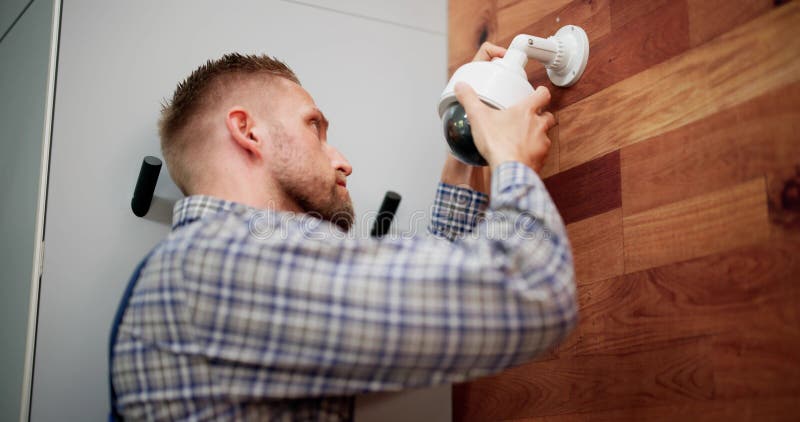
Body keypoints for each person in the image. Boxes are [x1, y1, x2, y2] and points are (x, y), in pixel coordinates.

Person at [110, 42, 576, 421]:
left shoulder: (203, 268)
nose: (342, 161)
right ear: (247, 131)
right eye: (315, 128)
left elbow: (436, 307)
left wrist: (466, 147)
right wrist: (511, 158)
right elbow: (533, 289)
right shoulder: (219, 265)